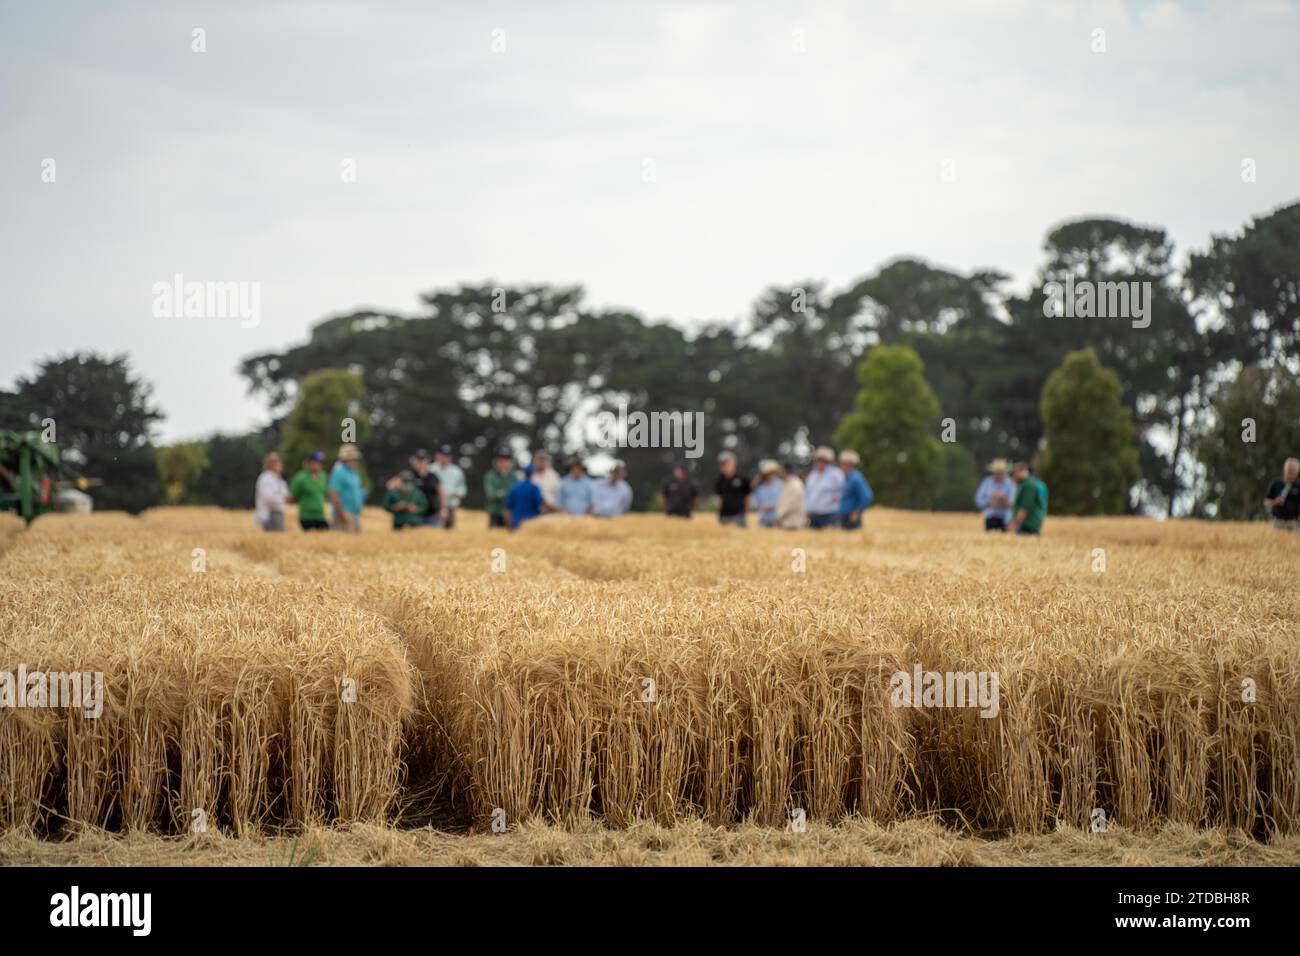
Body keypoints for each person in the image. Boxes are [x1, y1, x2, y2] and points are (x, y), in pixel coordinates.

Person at [288, 451, 330, 531]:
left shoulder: (323, 476)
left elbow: (325, 494)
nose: (320, 465)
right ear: (309, 463)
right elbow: (293, 497)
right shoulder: (300, 478)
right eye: (317, 462)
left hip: (320, 515)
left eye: (321, 463)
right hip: (306, 516)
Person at [329, 444, 366, 533]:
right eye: (351, 459)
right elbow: (334, 494)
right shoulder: (338, 472)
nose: (354, 461)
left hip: (355, 514)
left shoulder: (354, 472)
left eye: (355, 459)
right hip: (344, 515)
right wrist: (341, 514)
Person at [804, 446, 844, 529]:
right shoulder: (812, 476)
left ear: (828, 462)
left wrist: (838, 496)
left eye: (823, 461)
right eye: (818, 460)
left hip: (829, 514)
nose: (820, 463)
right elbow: (808, 494)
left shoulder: (836, 474)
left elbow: (842, 490)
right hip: (814, 514)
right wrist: (807, 509)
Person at [974, 458, 1016, 532]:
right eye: (997, 472)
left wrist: (1003, 498)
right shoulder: (987, 482)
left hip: (1006, 519)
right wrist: (990, 502)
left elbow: (1014, 503)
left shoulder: (1010, 483)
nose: (999, 475)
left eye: (1001, 472)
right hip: (991, 518)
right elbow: (979, 500)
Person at [431, 445, 467, 530]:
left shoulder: (456, 471)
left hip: (451, 507)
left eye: (446, 456)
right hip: (435, 507)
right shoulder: (431, 469)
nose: (444, 458)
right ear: (437, 455)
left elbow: (463, 489)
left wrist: (457, 493)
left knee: (450, 532)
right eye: (442, 455)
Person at [1008, 461, 1048, 536]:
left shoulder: (1029, 485)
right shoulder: (1031, 483)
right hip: (1030, 523)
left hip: (1028, 525)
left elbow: (1025, 508)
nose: (1011, 477)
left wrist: (1013, 524)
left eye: (1012, 474)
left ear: (1020, 471)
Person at [410, 449, 448, 527]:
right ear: (414, 461)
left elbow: (441, 493)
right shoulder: (409, 475)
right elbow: (392, 485)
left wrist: (443, 509)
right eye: (419, 460)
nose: (421, 462)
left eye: (423, 460)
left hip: (433, 515)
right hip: (415, 516)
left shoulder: (433, 476)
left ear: (427, 461)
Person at [837, 450, 873, 530]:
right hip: (844, 516)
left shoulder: (856, 478)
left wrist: (857, 511)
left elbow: (867, 496)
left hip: (852, 517)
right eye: (842, 464)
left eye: (847, 464)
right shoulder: (844, 478)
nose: (843, 466)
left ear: (852, 465)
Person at [254, 452, 289, 532]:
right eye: (277, 463)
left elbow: (285, 493)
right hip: (270, 513)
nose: (279, 465)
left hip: (278, 512)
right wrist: (284, 499)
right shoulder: (266, 478)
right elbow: (267, 497)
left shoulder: (278, 479)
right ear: (270, 464)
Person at [484, 448, 518, 529]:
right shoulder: (490, 476)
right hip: (495, 514)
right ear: (496, 462)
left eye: (506, 460)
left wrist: (500, 493)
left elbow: (517, 496)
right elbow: (491, 496)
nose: (503, 463)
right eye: (501, 460)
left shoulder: (515, 477)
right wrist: (508, 493)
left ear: (511, 462)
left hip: (512, 514)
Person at [714, 451, 751, 527]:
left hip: (739, 516)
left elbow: (747, 497)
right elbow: (719, 499)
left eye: (726, 463)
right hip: (724, 516)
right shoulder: (719, 481)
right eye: (722, 464)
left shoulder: (743, 479)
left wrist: (745, 513)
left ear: (734, 463)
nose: (724, 466)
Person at [504, 464, 546, 530]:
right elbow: (542, 504)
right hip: (532, 523)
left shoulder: (514, 488)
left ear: (524, 474)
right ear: (533, 474)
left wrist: (509, 525)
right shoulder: (534, 488)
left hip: (516, 522)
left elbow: (507, 509)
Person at [1264, 457, 1300, 531]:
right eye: (1290, 470)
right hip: (1278, 522)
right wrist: (1275, 502)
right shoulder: (1276, 484)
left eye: (1294, 470)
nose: (1292, 472)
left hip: (1294, 523)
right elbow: (1266, 502)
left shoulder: (1298, 485)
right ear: (1285, 469)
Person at [751, 459, 784, 527]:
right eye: (768, 473)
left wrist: (775, 506)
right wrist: (763, 508)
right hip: (763, 519)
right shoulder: (760, 487)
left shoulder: (781, 485)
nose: (770, 475)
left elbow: (785, 501)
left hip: (778, 519)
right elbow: (755, 504)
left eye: (772, 473)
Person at [775, 462, 807, 529]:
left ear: (785, 471)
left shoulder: (794, 484)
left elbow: (792, 505)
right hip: (788, 522)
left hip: (792, 523)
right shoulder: (789, 483)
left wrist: (780, 517)